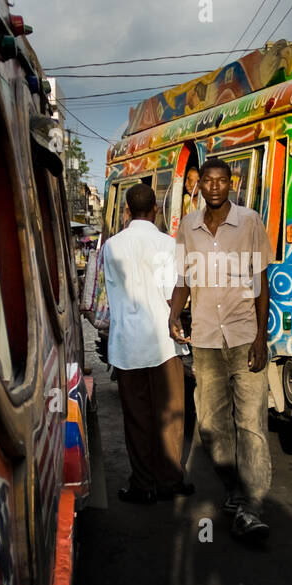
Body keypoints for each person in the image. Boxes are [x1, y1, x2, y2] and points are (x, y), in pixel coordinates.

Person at [167, 158, 272, 543]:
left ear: (232, 184)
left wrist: (262, 337)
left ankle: (252, 505)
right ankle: (234, 488)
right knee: (212, 425)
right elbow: (182, 279)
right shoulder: (187, 230)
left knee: (251, 423)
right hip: (207, 340)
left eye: (221, 181)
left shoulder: (250, 222)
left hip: (245, 335)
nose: (213, 186)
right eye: (207, 181)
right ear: (200, 187)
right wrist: (175, 313)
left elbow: (262, 282)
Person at [102, 184, 192, 504]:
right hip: (164, 344)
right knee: (170, 413)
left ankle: (143, 485)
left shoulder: (110, 247)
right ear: (155, 209)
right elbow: (173, 295)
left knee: (137, 417)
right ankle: (169, 479)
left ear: (127, 211)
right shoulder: (168, 244)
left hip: (127, 344)